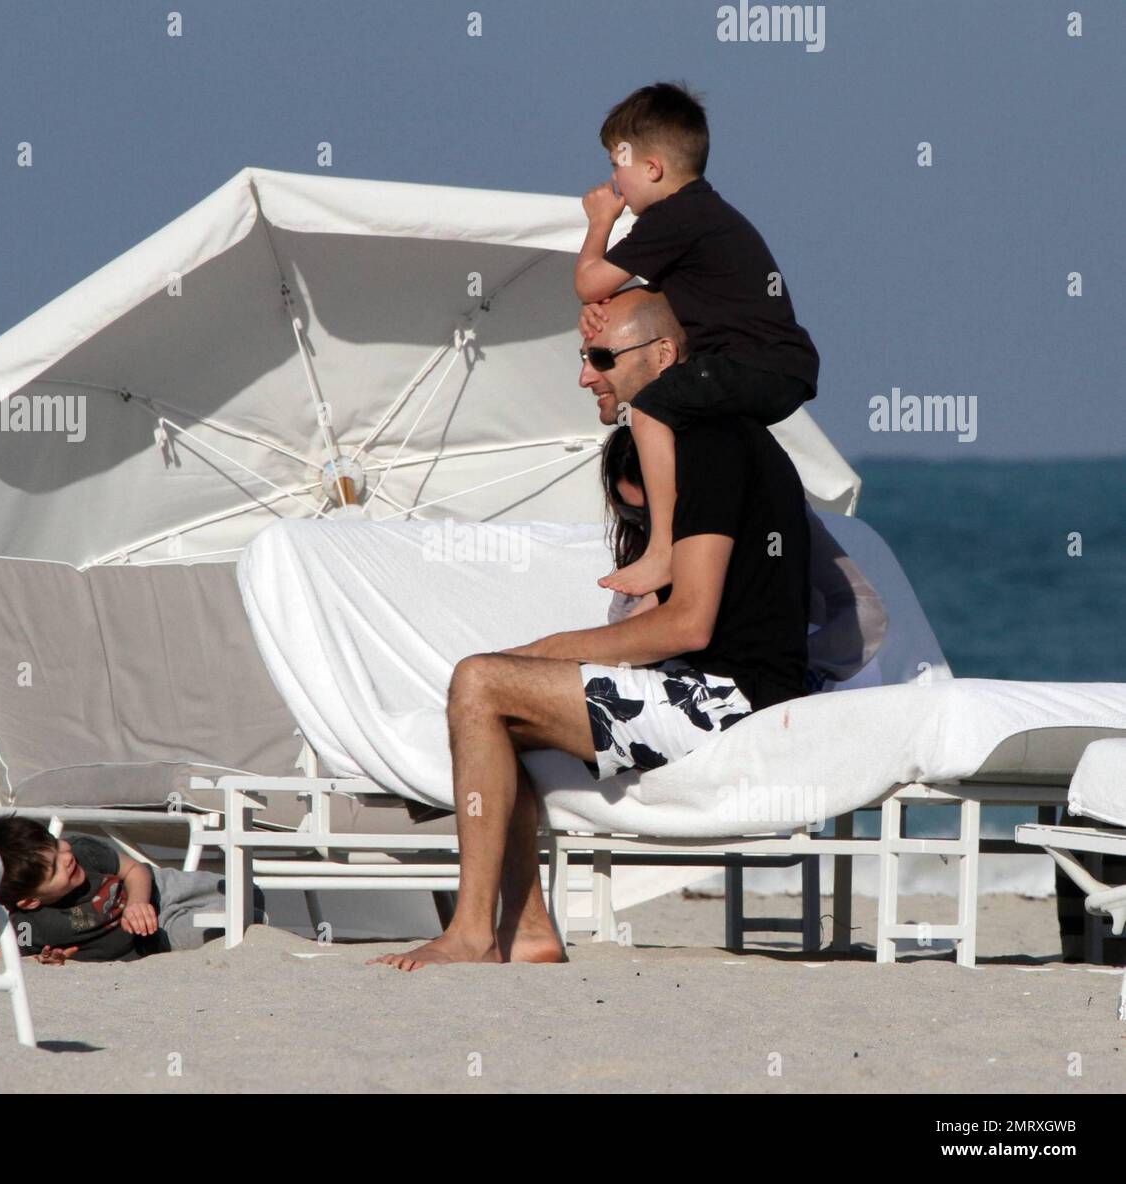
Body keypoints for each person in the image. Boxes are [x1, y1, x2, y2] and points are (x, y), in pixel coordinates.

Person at [369, 287, 810, 971]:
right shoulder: (712, 437)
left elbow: (689, 626)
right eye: (583, 357)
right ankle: (528, 929)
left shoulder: (711, 441)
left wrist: (545, 654)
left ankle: (472, 934)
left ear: (664, 355)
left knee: (481, 683)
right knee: (492, 705)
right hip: (712, 688)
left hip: (733, 701)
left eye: (602, 358)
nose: (585, 376)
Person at [575, 81, 821, 599]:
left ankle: (663, 548)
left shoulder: (673, 217)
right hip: (778, 368)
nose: (614, 181)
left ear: (652, 168)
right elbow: (658, 304)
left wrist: (600, 222)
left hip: (755, 364)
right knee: (693, 423)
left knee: (650, 408)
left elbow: (589, 280)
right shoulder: (702, 217)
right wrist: (601, 312)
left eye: (617, 164)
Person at [599, 426, 888, 689]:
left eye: (652, 511)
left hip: (784, 676)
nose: (645, 524)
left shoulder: (772, 520)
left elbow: (866, 610)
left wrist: (800, 665)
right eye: (631, 512)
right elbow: (619, 647)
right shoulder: (639, 547)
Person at [0, 816, 247, 962]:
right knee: (212, 928)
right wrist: (45, 959)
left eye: (56, 844)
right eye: (54, 868)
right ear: (30, 901)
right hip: (152, 937)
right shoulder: (31, 924)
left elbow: (134, 869)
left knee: (229, 888)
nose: (66, 857)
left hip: (154, 889)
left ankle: (248, 900)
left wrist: (138, 902)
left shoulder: (83, 851)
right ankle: (253, 920)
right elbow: (0, 957)